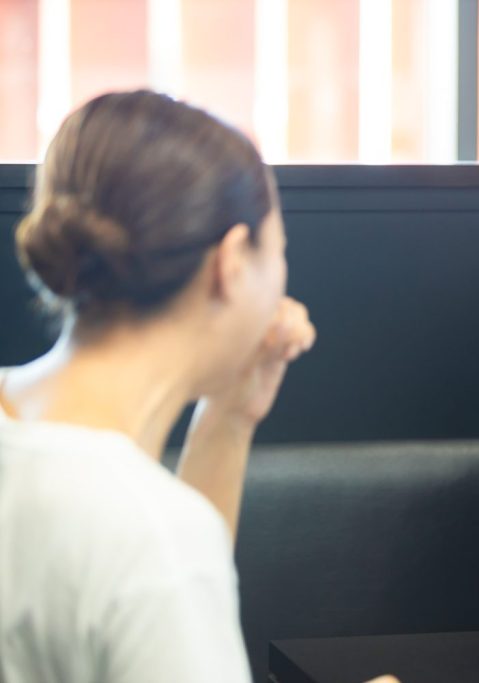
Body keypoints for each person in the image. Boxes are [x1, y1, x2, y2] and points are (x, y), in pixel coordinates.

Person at [0, 90, 315, 682]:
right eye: (279, 251)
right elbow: (160, 569)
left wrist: (230, 416)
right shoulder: (153, 538)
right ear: (230, 265)